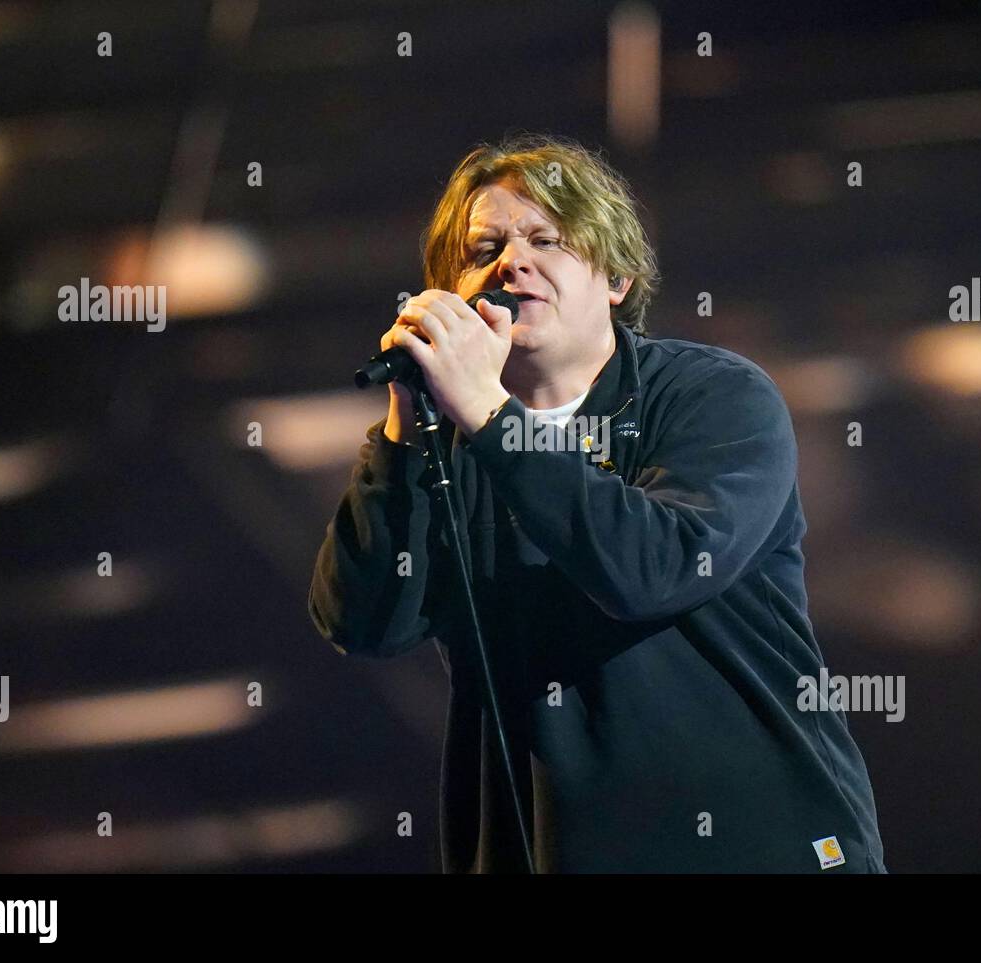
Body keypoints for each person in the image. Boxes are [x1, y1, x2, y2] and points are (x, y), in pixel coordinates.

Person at [308, 133, 887, 873]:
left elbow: (653, 566)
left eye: (545, 238)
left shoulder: (712, 397)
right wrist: (402, 431)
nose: (511, 260)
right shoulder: (448, 445)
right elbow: (363, 622)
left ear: (615, 276)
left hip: (757, 845)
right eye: (482, 248)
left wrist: (488, 413)